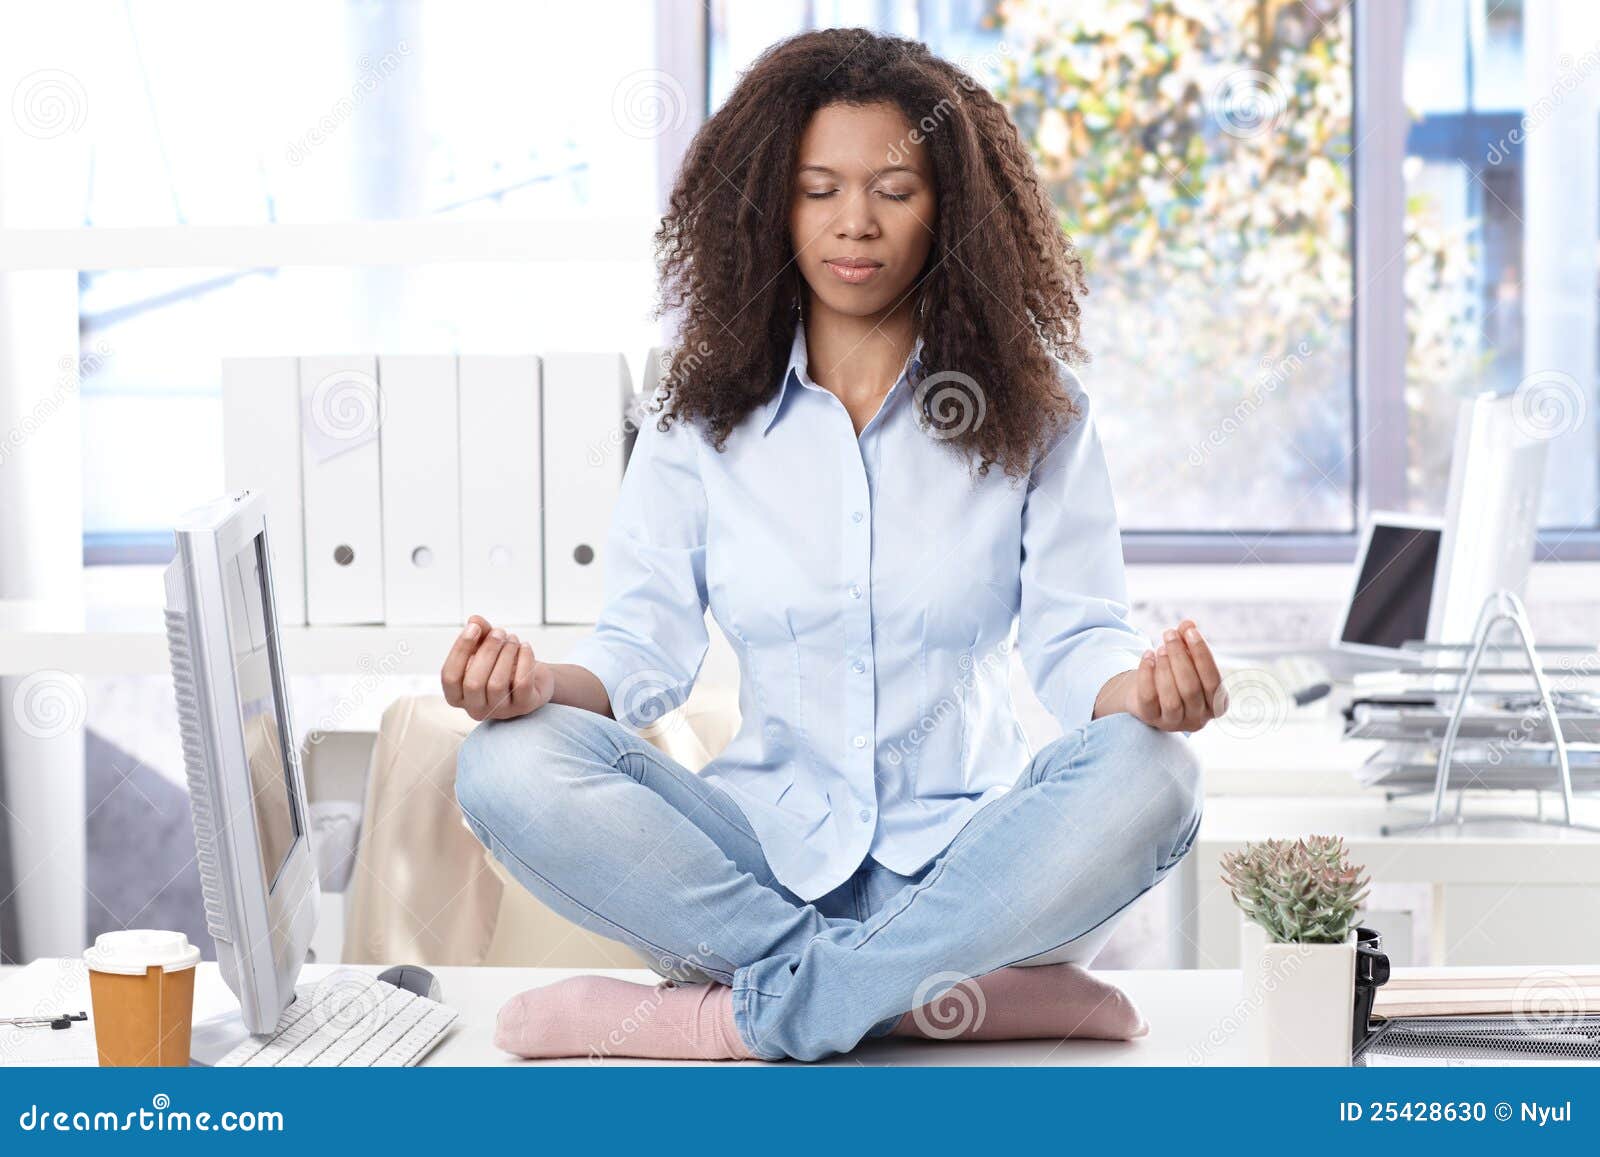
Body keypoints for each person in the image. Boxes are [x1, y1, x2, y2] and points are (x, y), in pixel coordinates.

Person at [448, 27, 1219, 1063]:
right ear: (770, 206)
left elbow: (1078, 641)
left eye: (894, 191)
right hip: (756, 868)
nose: (855, 223)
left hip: (975, 874)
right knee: (505, 761)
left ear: (951, 208)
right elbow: (640, 648)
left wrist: (1147, 693)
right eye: (818, 189)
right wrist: (536, 681)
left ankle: (740, 1018)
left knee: (1156, 773)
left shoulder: (1038, 408)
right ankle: (906, 996)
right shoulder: (696, 416)